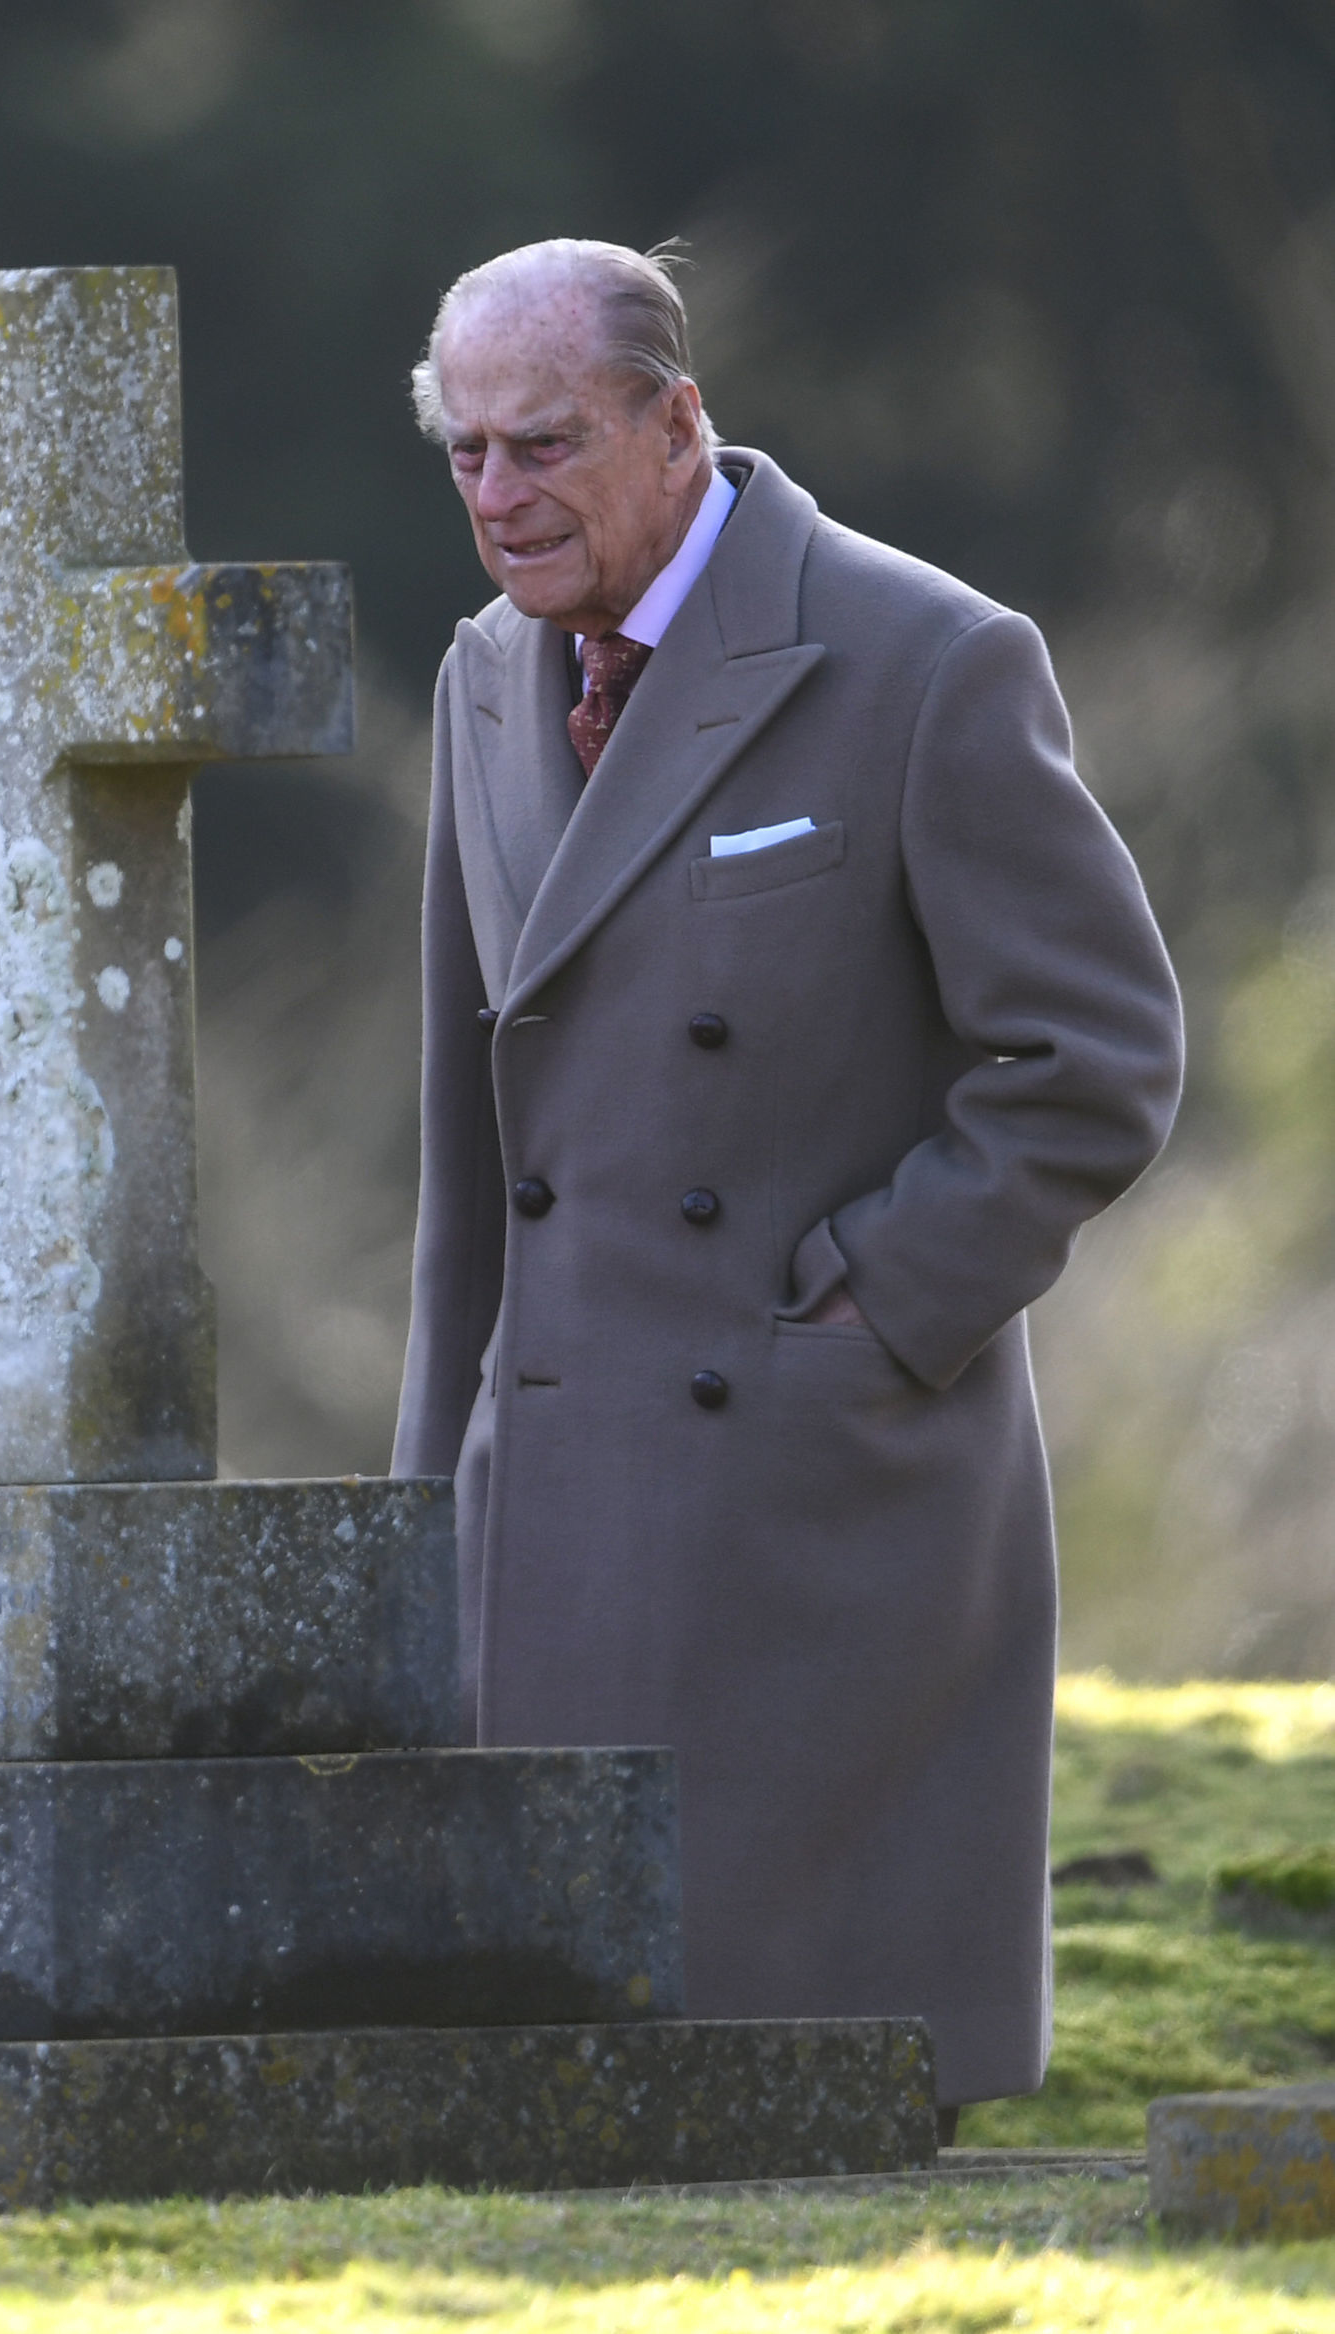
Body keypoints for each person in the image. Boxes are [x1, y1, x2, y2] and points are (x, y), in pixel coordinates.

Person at [391, 240, 1185, 2131]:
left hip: (820, 1503)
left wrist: (874, 1302)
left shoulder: (928, 655)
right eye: (466, 453)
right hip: (551, 1494)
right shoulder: (486, 679)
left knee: (809, 2099)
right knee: (559, 2108)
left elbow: (1097, 1060)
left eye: (546, 444)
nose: (500, 497)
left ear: (679, 420)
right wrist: (425, 1504)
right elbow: (467, 1147)